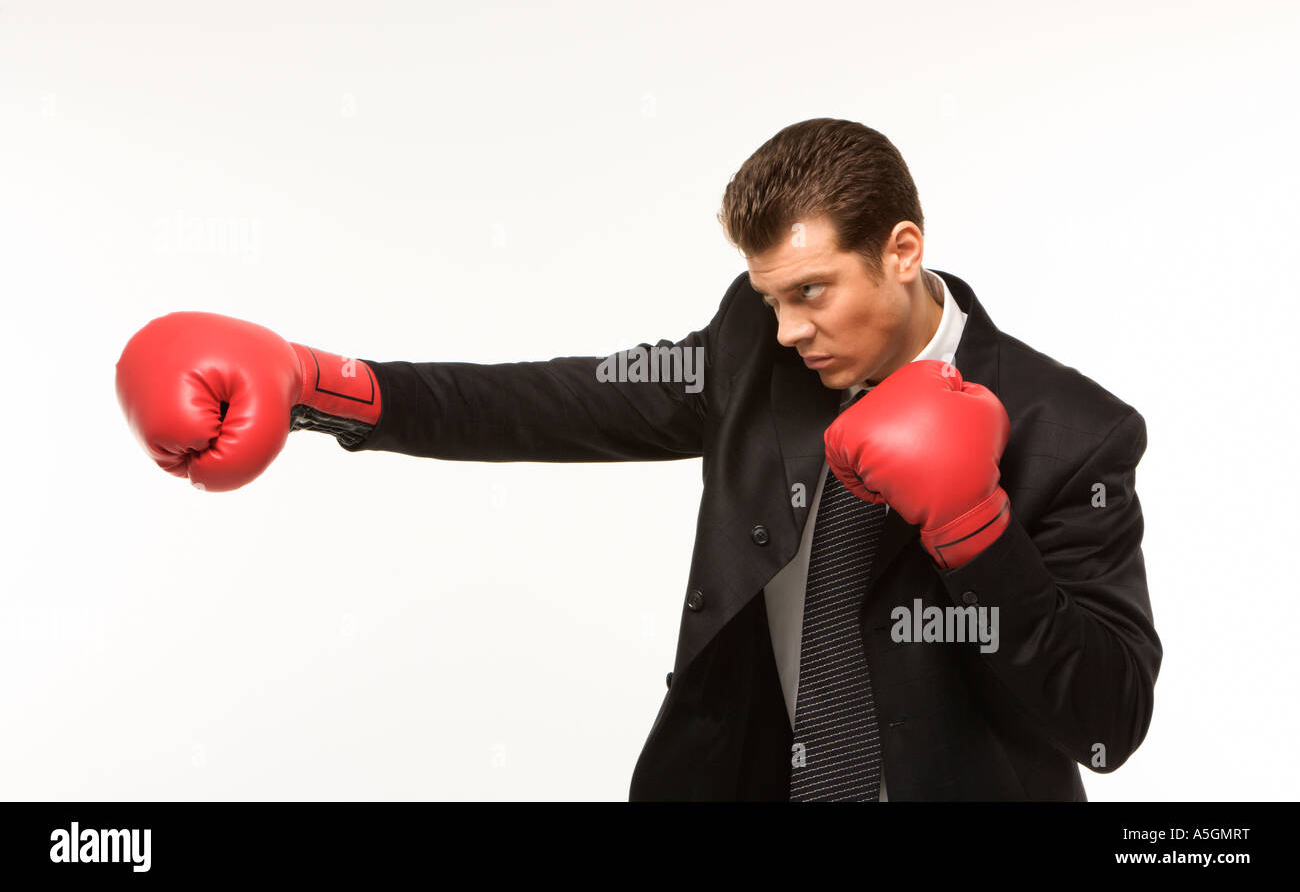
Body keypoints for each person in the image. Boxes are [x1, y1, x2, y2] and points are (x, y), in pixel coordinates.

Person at [116, 118, 1161, 801]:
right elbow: (564, 400)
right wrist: (325, 383)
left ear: (900, 248)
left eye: (812, 292)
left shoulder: (1072, 431)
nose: (789, 329)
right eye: (767, 297)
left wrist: (975, 531)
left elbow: (1107, 719)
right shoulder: (756, 347)